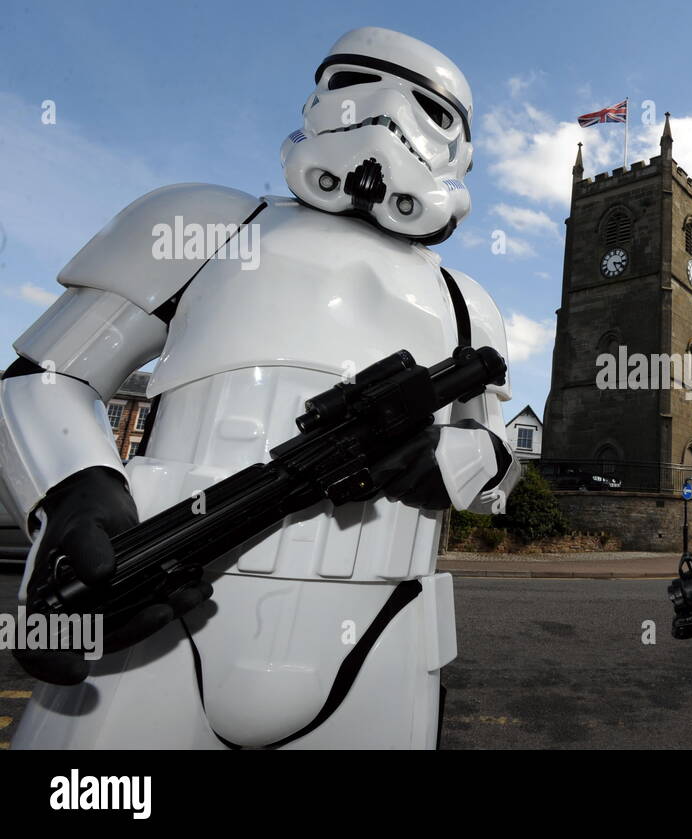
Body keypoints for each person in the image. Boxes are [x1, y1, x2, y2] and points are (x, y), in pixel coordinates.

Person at [0, 27, 518, 748]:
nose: (385, 117)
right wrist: (76, 492)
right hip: (159, 606)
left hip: (384, 627)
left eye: (427, 107)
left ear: (459, 149)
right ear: (317, 100)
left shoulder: (467, 303)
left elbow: (497, 450)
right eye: (357, 84)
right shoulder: (206, 223)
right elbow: (46, 375)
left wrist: (444, 460)